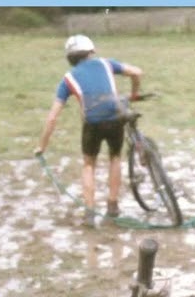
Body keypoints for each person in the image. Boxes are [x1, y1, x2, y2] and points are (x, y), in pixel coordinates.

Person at [34, 34, 143, 227]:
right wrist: (134, 94)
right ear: (91, 51)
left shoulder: (67, 79)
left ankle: (90, 211)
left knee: (88, 164)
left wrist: (41, 146)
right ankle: (112, 205)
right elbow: (137, 72)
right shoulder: (106, 63)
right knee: (115, 157)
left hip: (92, 123)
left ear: (70, 58)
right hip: (116, 117)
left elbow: (52, 117)